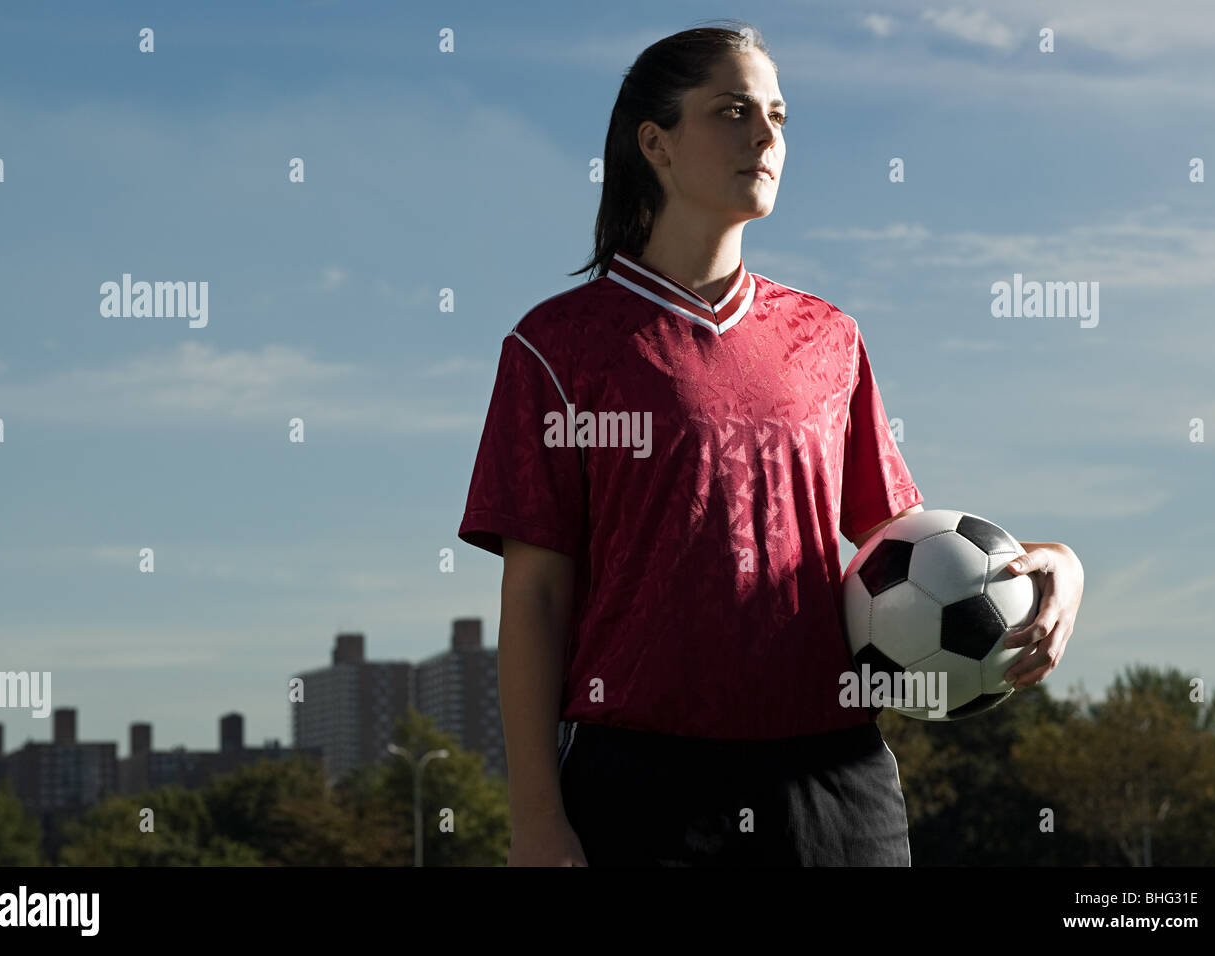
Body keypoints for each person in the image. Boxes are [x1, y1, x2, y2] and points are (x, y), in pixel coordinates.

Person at [457, 21, 1084, 867]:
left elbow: (901, 548)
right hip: (639, 786)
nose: (766, 135)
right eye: (731, 111)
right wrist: (536, 817)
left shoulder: (830, 338)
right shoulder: (555, 347)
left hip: (834, 777)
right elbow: (534, 600)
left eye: (779, 116)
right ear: (657, 144)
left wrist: (1060, 562)